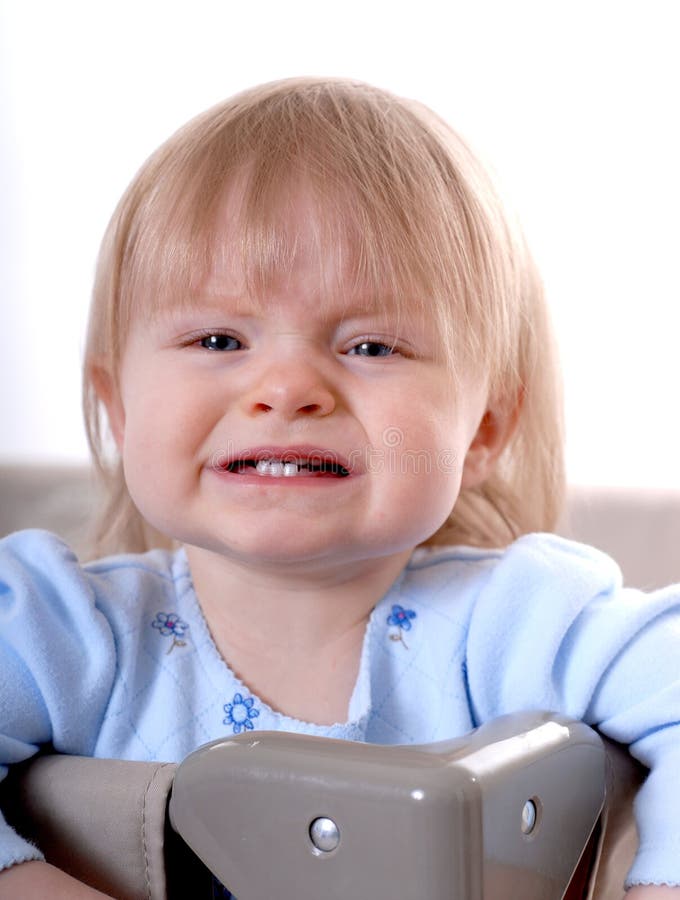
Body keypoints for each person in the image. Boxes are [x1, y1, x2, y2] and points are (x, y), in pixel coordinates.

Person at [0, 77, 678, 899]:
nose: (287, 388)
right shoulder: (64, 635)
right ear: (118, 407)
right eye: (219, 338)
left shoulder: (514, 625)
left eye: (371, 347)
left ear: (485, 430)